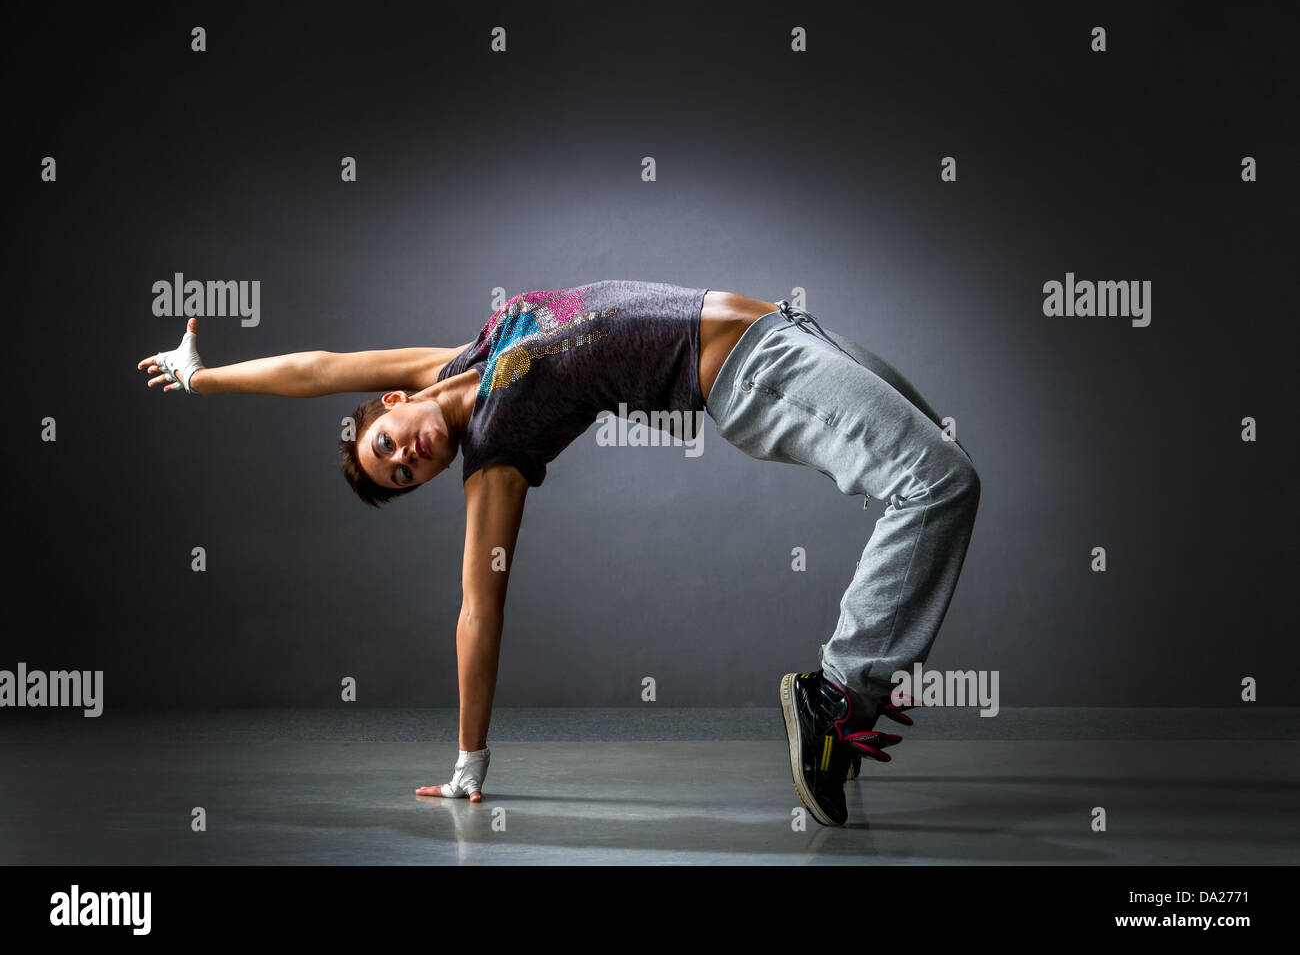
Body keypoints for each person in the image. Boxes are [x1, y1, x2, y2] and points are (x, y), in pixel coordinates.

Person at [138, 279, 980, 826]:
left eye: (389, 444)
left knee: (944, 459)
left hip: (787, 328)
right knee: (935, 484)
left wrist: (201, 378)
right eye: (401, 477)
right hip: (751, 374)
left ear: (393, 402)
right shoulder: (497, 450)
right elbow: (479, 610)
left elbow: (319, 369)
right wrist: (471, 760)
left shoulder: (465, 359)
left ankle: (850, 712)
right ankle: (838, 697)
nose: (407, 458)